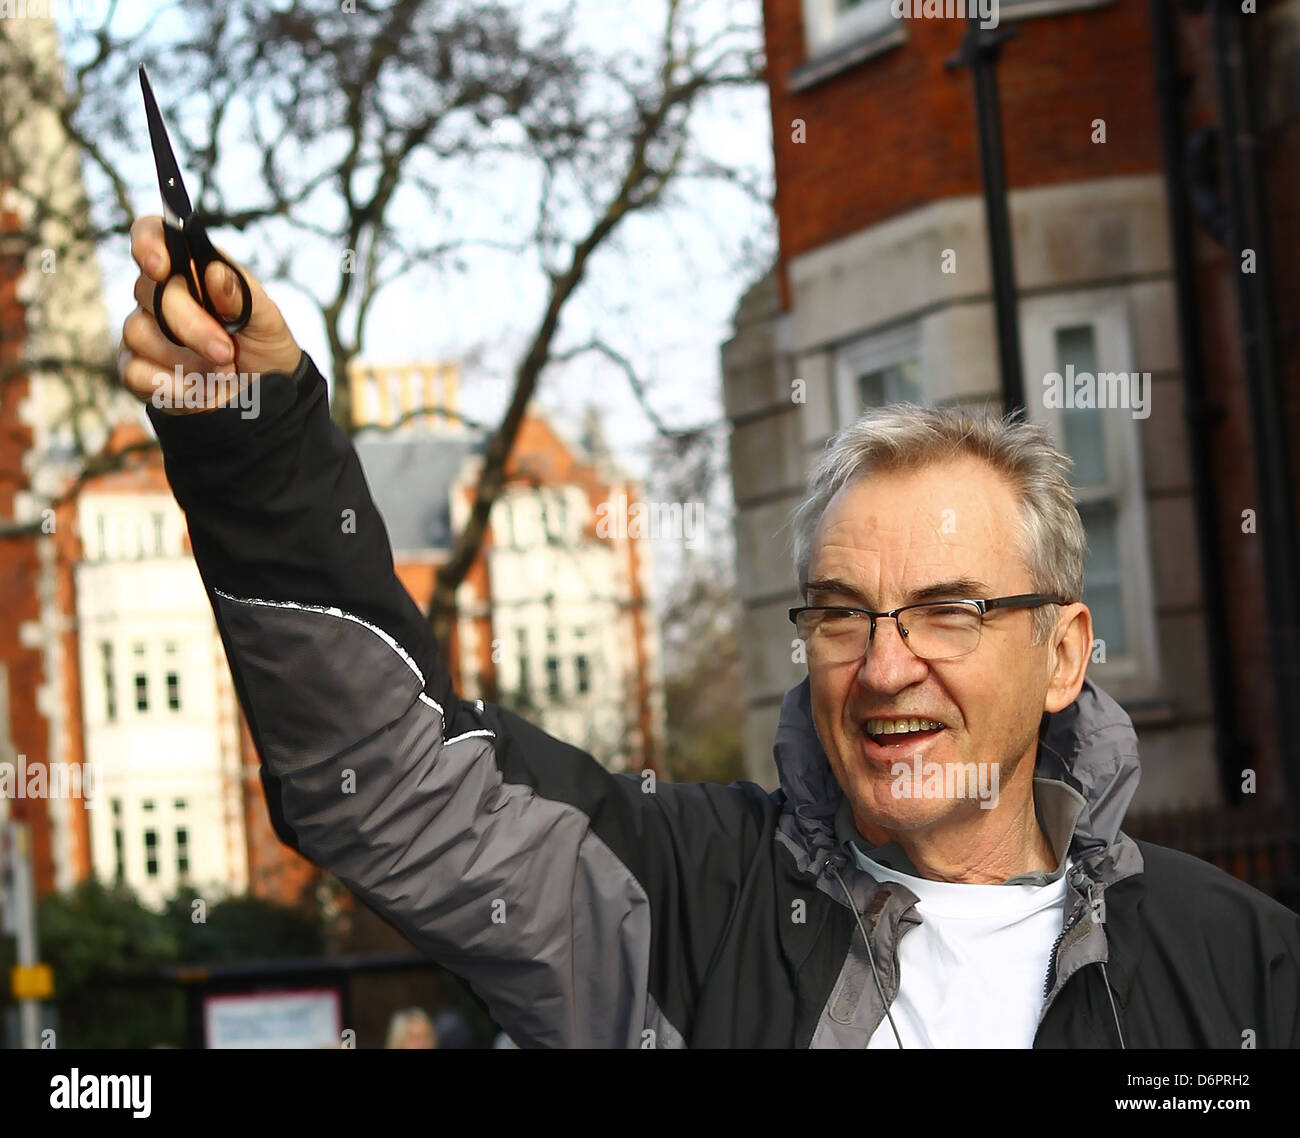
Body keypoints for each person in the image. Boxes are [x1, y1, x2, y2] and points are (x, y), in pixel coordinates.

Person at [117, 217, 1300, 1048]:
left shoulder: (1241, 965)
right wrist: (255, 438)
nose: (886, 667)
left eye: (950, 608)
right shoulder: (677, 900)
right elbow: (388, 783)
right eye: (841, 614)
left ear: (1062, 652)